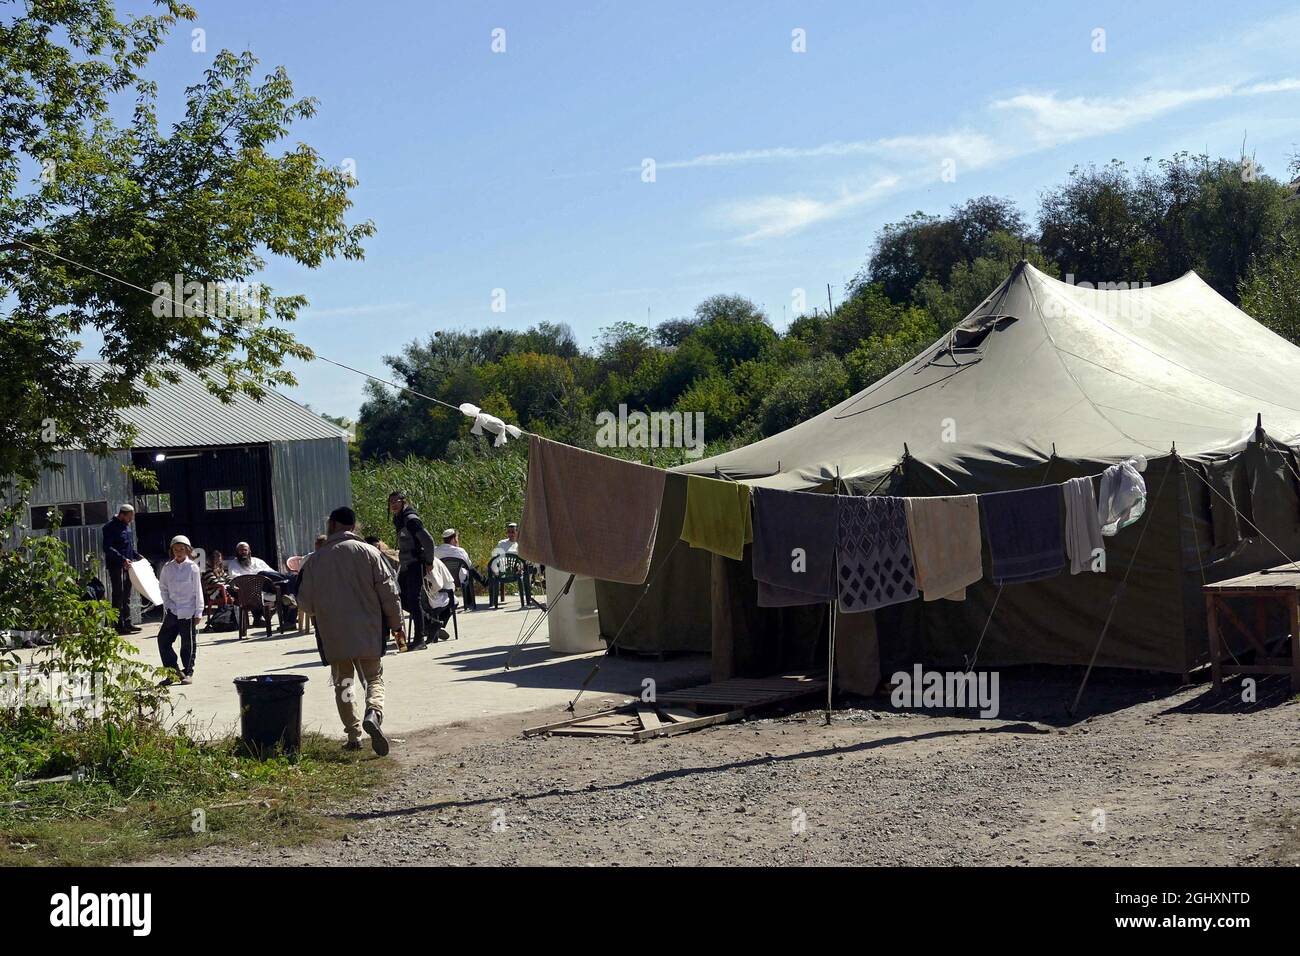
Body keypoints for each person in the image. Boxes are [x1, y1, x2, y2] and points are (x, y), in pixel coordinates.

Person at [297, 506, 403, 755]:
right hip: (368, 629)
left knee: (344, 683)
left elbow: (305, 603)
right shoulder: (370, 553)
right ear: (353, 527)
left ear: (332, 525)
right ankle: (374, 712)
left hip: (333, 634)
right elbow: (390, 593)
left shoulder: (316, 560)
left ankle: (354, 735)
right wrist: (397, 625)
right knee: (374, 678)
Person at [388, 491, 437, 651]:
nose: (394, 504)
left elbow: (428, 540)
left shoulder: (410, 519)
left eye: (397, 501)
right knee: (400, 596)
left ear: (403, 502)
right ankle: (431, 622)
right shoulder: (398, 518)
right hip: (406, 564)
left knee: (414, 600)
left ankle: (419, 639)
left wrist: (429, 561)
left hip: (416, 563)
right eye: (391, 502)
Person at [158, 535, 203, 685]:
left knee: (187, 643)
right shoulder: (167, 568)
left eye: (182, 549)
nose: (179, 552)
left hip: (188, 611)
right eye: (176, 550)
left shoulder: (192, 568)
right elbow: (163, 588)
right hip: (173, 610)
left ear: (188, 550)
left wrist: (198, 612)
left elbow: (198, 591)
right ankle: (173, 672)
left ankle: (188, 671)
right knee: (163, 640)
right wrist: (169, 605)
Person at [102, 504, 141, 634]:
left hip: (128, 566)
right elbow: (107, 548)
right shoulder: (110, 528)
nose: (131, 519)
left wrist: (137, 556)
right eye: (130, 517)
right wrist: (122, 559)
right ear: (122, 515)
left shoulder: (126, 527)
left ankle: (128, 622)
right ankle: (118, 625)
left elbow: (128, 547)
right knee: (118, 595)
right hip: (116, 566)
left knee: (127, 595)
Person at [435, 528, 489, 610]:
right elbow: (469, 565)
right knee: (469, 570)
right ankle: (483, 582)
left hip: (443, 580)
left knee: (467, 570)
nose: (458, 540)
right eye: (457, 538)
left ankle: (484, 581)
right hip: (457, 580)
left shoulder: (436, 551)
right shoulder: (460, 551)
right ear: (453, 539)